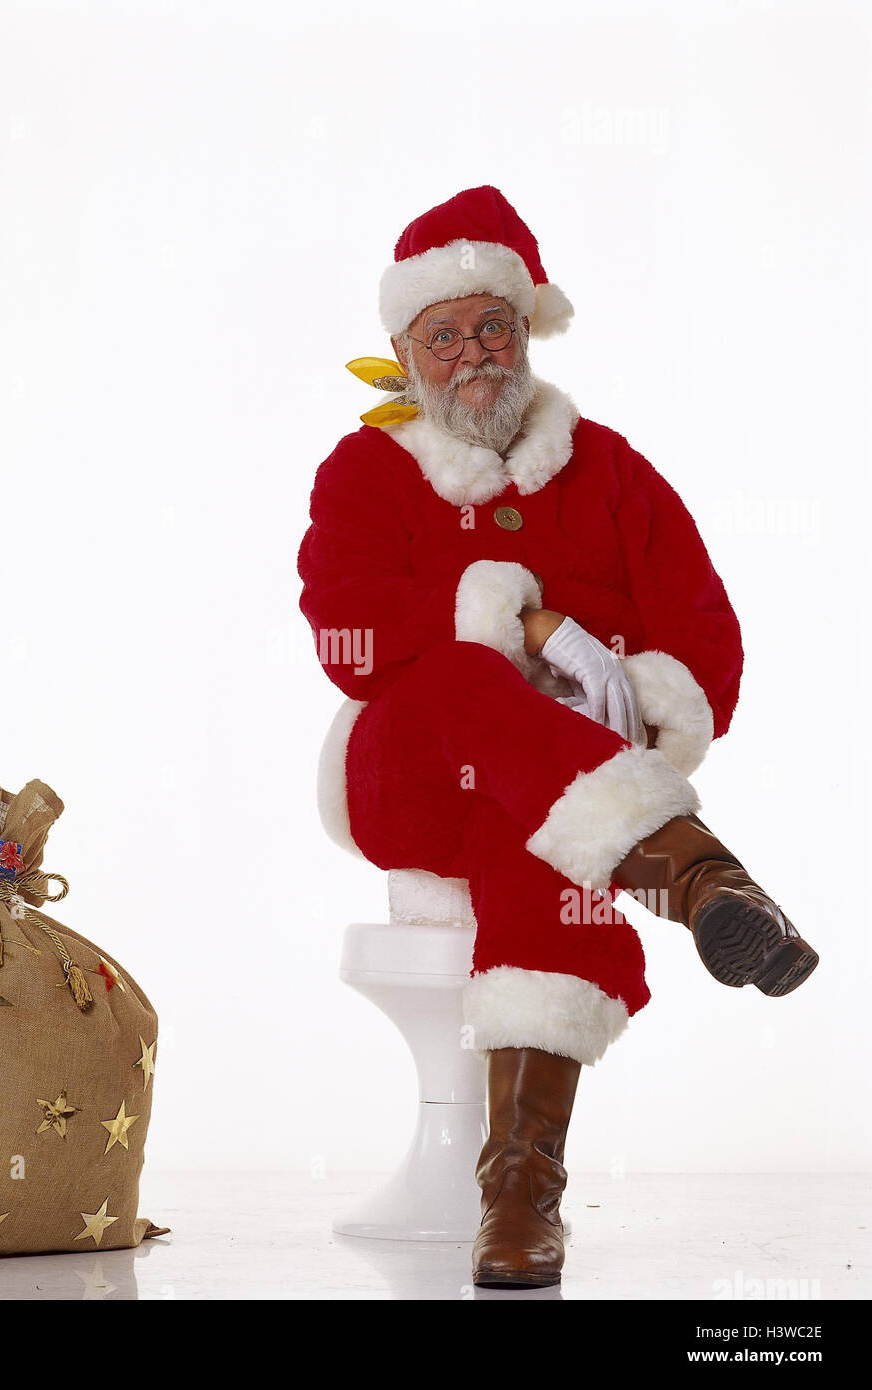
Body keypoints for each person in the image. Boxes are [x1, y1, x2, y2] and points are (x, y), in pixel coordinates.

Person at [297, 185, 818, 1289]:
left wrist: (632, 690)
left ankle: (520, 1192)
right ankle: (700, 879)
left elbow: (704, 632)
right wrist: (519, 621)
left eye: (493, 324)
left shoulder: (611, 468)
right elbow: (346, 640)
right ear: (404, 349)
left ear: (529, 325)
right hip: (404, 771)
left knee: (531, 837)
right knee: (456, 674)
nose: (473, 351)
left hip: (550, 793)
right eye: (445, 335)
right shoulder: (366, 472)